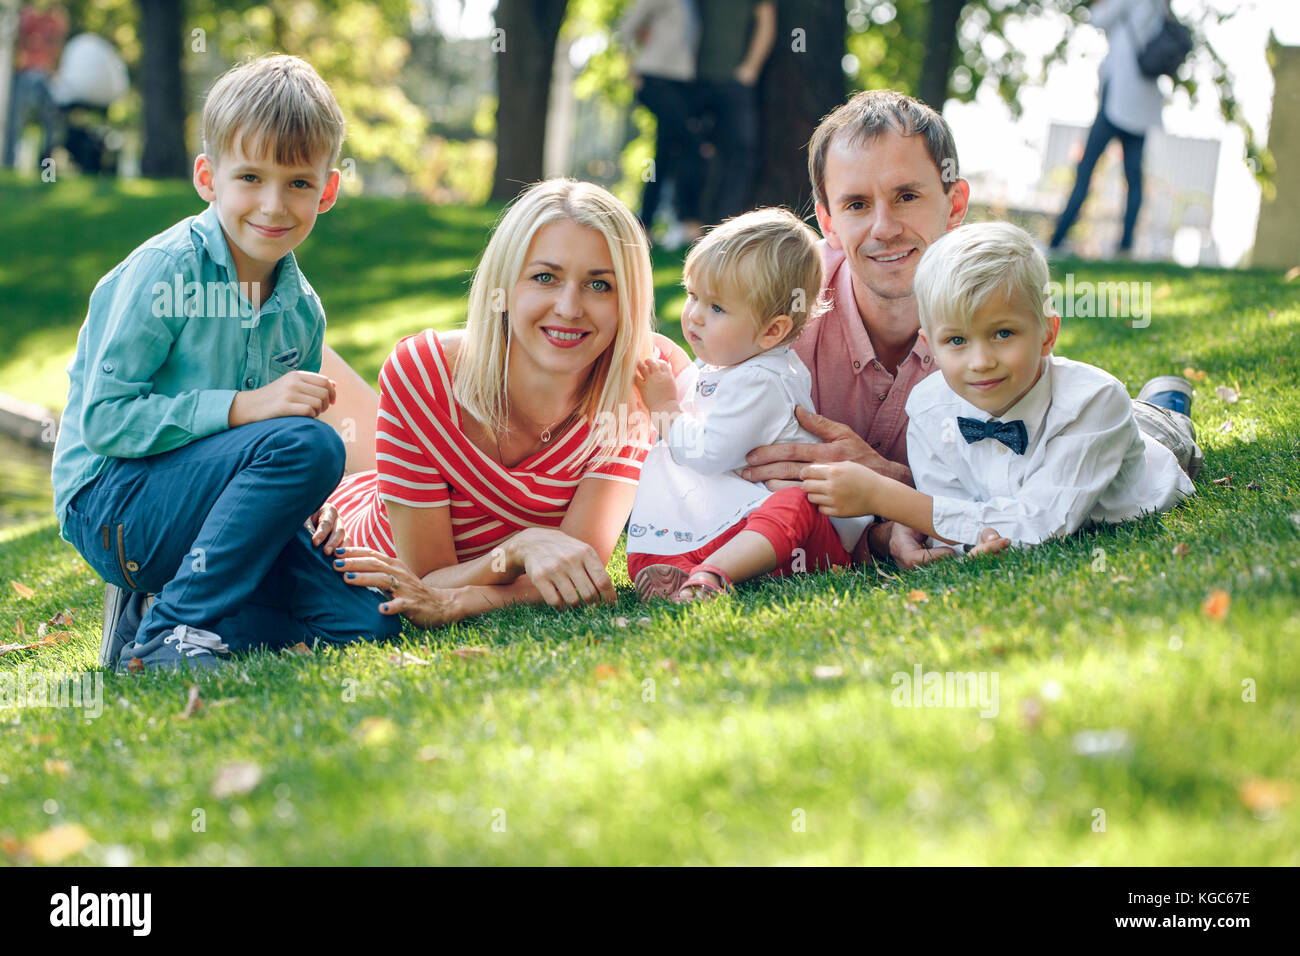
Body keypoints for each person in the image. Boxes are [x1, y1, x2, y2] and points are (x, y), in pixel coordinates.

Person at [51, 54, 399, 672]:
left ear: (328, 191)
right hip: (113, 505)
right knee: (315, 446)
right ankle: (170, 632)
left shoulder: (301, 312)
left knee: (364, 624)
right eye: (250, 178)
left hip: (210, 518)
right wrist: (247, 409)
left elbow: (261, 458)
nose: (273, 205)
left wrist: (303, 504)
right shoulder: (166, 272)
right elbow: (104, 423)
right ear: (208, 178)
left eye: (298, 182)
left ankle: (155, 613)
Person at [325, 179, 679, 625]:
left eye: (600, 285)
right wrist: (515, 551)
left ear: (626, 300)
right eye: (544, 277)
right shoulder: (425, 371)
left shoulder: (629, 398)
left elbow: (577, 578)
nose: (570, 308)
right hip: (351, 552)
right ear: (504, 287)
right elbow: (423, 581)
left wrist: (469, 597)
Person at [801, 221, 1201, 549]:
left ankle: (1168, 398)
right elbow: (956, 516)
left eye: (1003, 334)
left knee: (1162, 422)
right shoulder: (928, 409)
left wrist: (886, 498)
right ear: (931, 348)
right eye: (957, 341)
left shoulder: (1094, 402)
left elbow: (1042, 523)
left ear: (1047, 333)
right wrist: (970, 544)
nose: (981, 362)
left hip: (1141, 449)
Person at [739, 89, 978, 569]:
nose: (884, 228)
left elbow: (1020, 482)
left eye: (906, 197)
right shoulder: (776, 311)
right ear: (827, 220)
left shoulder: (997, 310)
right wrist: (884, 530)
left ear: (955, 205)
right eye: (856, 205)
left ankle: (1160, 412)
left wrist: (888, 482)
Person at [626, 208, 871, 602]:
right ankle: (677, 572)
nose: (695, 316)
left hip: (802, 544)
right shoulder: (729, 366)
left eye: (717, 308)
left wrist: (665, 408)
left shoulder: (761, 381)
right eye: (693, 296)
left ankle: (712, 572)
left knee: (796, 499)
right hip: (742, 516)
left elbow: (707, 453)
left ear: (772, 331)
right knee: (670, 498)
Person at [1049, 0, 1171, 257]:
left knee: (1086, 170)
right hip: (1142, 104)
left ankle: (1057, 241)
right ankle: (1125, 246)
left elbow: (1096, 18)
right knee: (1134, 178)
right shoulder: (1160, 4)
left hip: (1117, 102)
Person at [618, 0, 704, 247]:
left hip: (680, 84)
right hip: (653, 79)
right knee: (691, 144)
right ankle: (688, 221)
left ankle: (644, 225)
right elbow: (627, 27)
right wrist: (630, 71)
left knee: (665, 154)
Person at [692, 0, 775, 223]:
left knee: (741, 153)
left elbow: (766, 23)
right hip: (694, 81)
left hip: (735, 84)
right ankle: (692, 223)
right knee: (694, 149)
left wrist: (750, 69)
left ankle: (725, 222)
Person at [4, 2, 67, 168]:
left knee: (51, 124)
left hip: (47, 75)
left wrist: (56, 72)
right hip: (25, 72)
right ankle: (9, 163)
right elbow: (19, 42)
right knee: (15, 122)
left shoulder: (57, 18)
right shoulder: (26, 15)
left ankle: (47, 167)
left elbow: (58, 46)